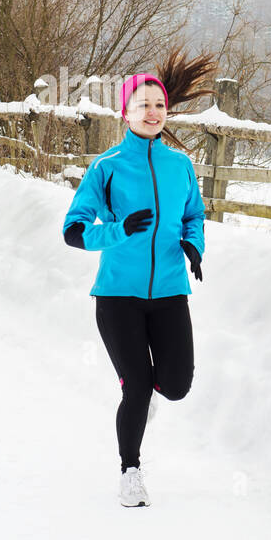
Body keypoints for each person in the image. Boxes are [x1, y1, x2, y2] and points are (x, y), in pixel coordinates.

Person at [61, 48, 216, 507]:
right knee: (139, 384)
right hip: (118, 296)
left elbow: (195, 215)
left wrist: (194, 245)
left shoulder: (180, 166)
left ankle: (144, 393)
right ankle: (131, 471)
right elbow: (73, 230)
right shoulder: (106, 167)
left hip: (170, 293)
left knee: (178, 386)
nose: (153, 113)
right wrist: (117, 231)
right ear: (126, 112)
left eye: (160, 106)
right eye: (143, 105)